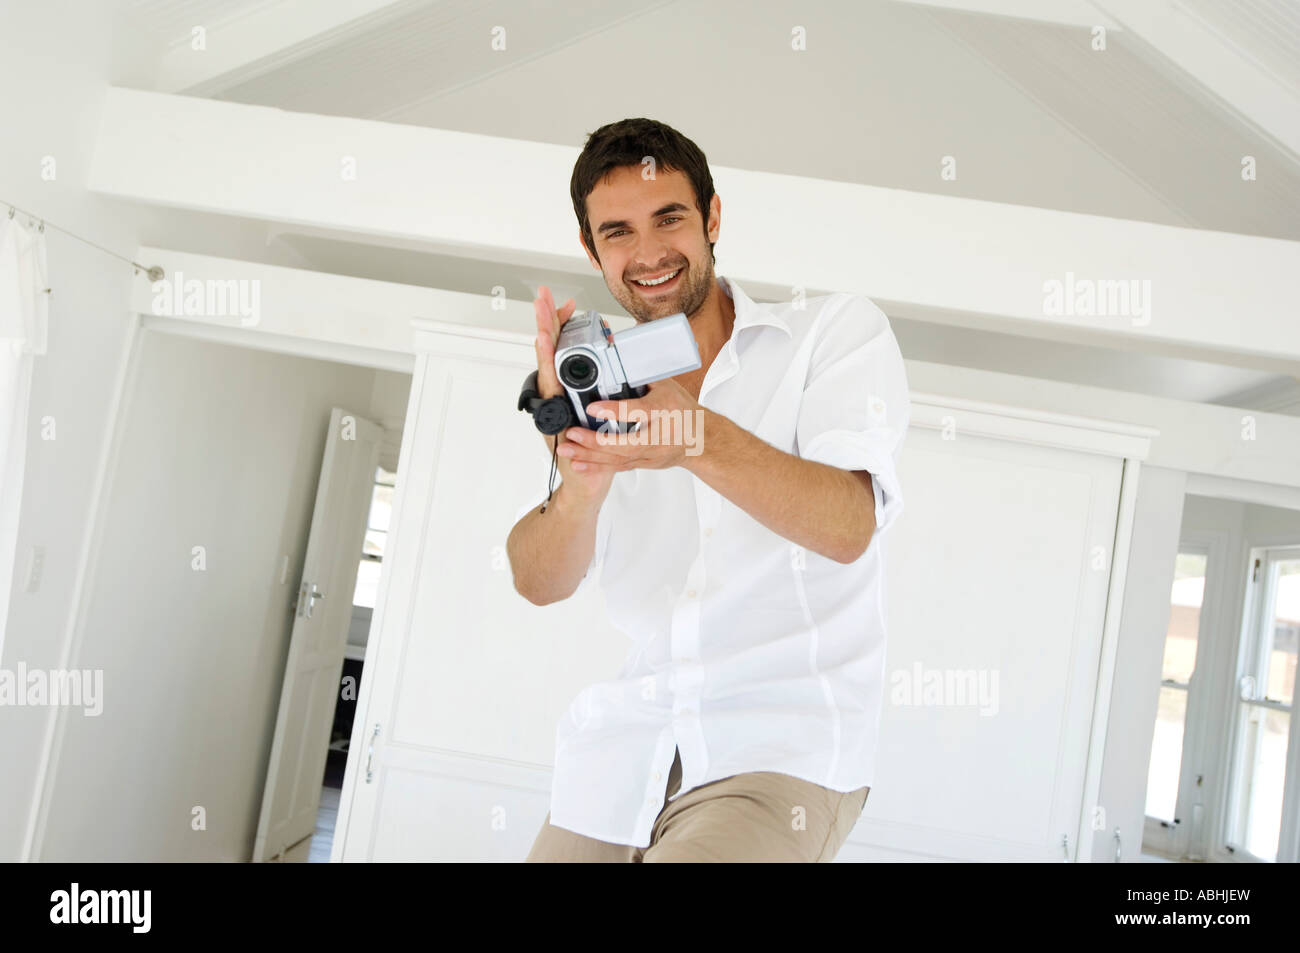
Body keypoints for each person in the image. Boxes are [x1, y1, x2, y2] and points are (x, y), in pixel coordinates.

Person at [507, 118, 910, 862]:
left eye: (671, 219)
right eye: (618, 232)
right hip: (625, 751)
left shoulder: (832, 335)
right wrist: (583, 477)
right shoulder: (601, 393)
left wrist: (696, 437)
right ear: (592, 251)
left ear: (713, 218)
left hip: (777, 753)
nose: (650, 252)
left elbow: (849, 525)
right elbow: (538, 579)